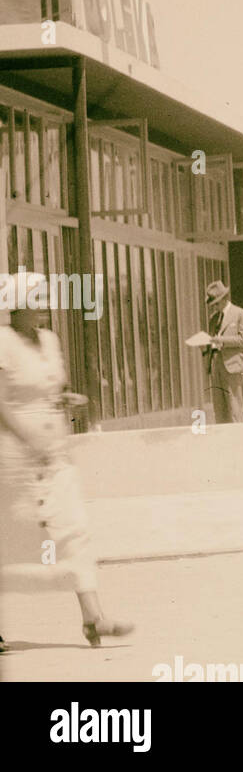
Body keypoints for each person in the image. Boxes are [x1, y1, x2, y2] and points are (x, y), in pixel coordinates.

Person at [0, 272, 134, 648]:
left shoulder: (50, 341)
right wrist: (27, 439)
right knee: (11, 540)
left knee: (74, 529)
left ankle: (94, 617)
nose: (45, 306)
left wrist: (65, 399)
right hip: (11, 457)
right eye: (37, 299)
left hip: (54, 453)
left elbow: (48, 389)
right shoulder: (2, 342)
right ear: (18, 304)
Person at [203, 280, 243, 424]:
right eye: (213, 305)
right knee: (219, 409)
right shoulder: (213, 319)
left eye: (216, 303)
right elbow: (211, 340)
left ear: (224, 298)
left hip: (232, 366)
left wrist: (222, 340)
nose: (215, 307)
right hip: (216, 365)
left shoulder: (239, 314)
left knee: (235, 408)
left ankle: (240, 441)